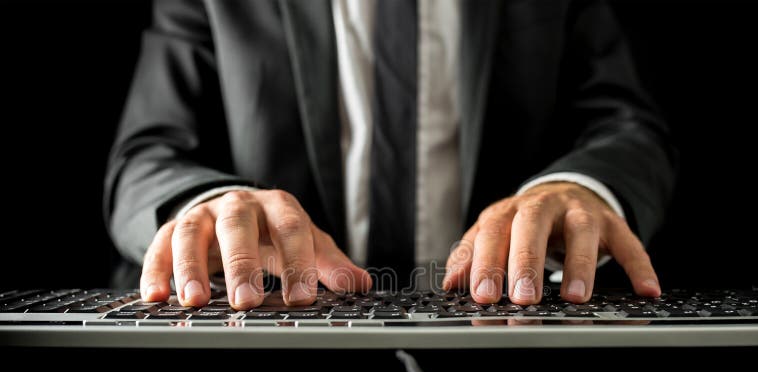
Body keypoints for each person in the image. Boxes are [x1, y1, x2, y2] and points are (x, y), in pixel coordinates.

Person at [104, 0, 676, 309]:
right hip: (269, 337)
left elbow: (626, 122)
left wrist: (578, 188)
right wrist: (211, 206)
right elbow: (147, 152)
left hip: (514, 341)